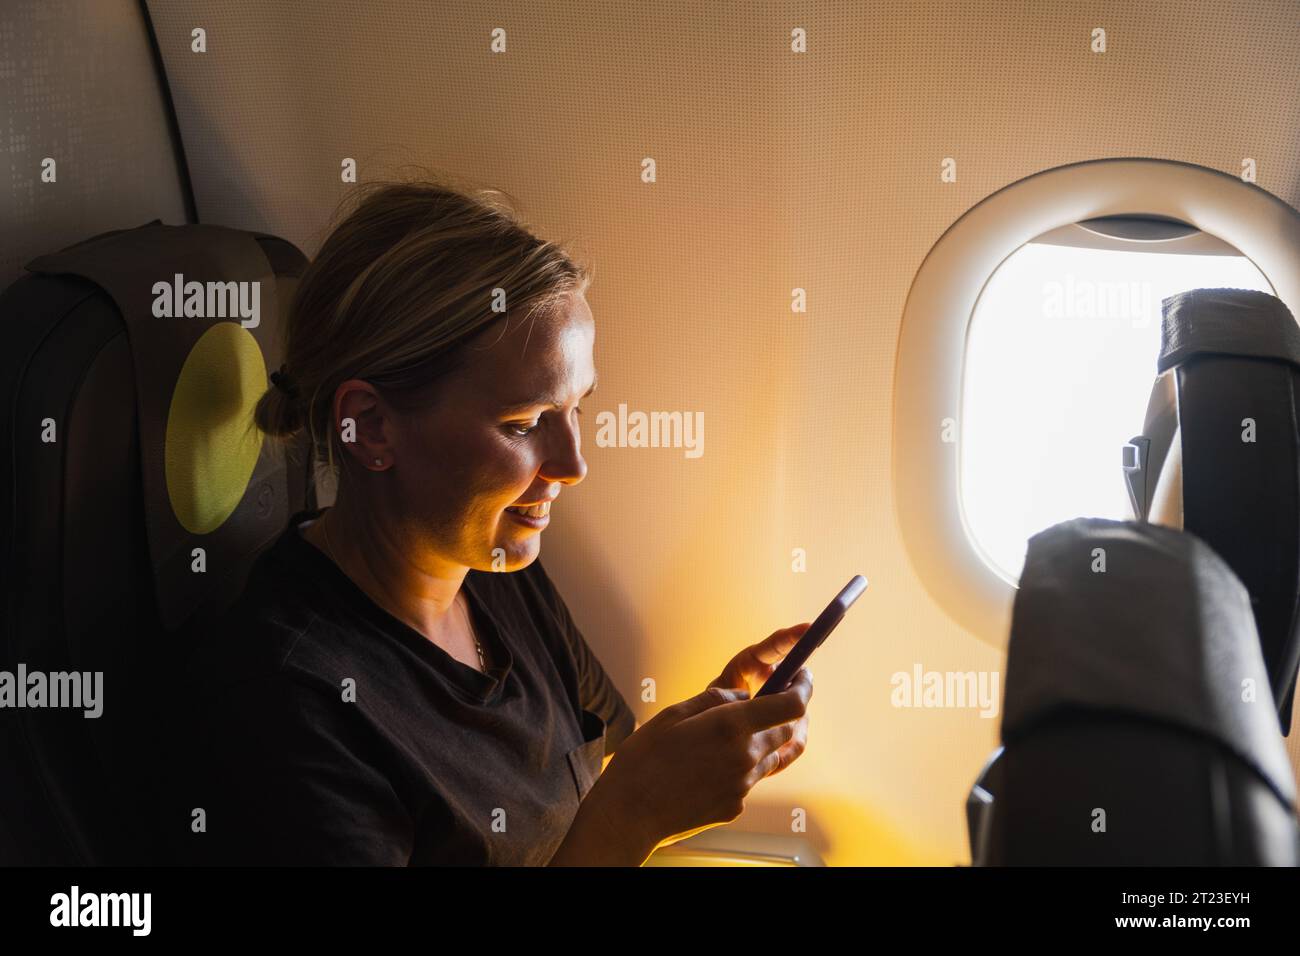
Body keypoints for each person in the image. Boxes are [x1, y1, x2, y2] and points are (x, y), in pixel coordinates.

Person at [168, 178, 813, 865]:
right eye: (525, 423)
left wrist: (700, 752)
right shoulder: (292, 697)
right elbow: (614, 822)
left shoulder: (494, 566)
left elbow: (594, 795)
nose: (573, 466)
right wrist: (638, 809)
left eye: (576, 410)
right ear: (371, 427)